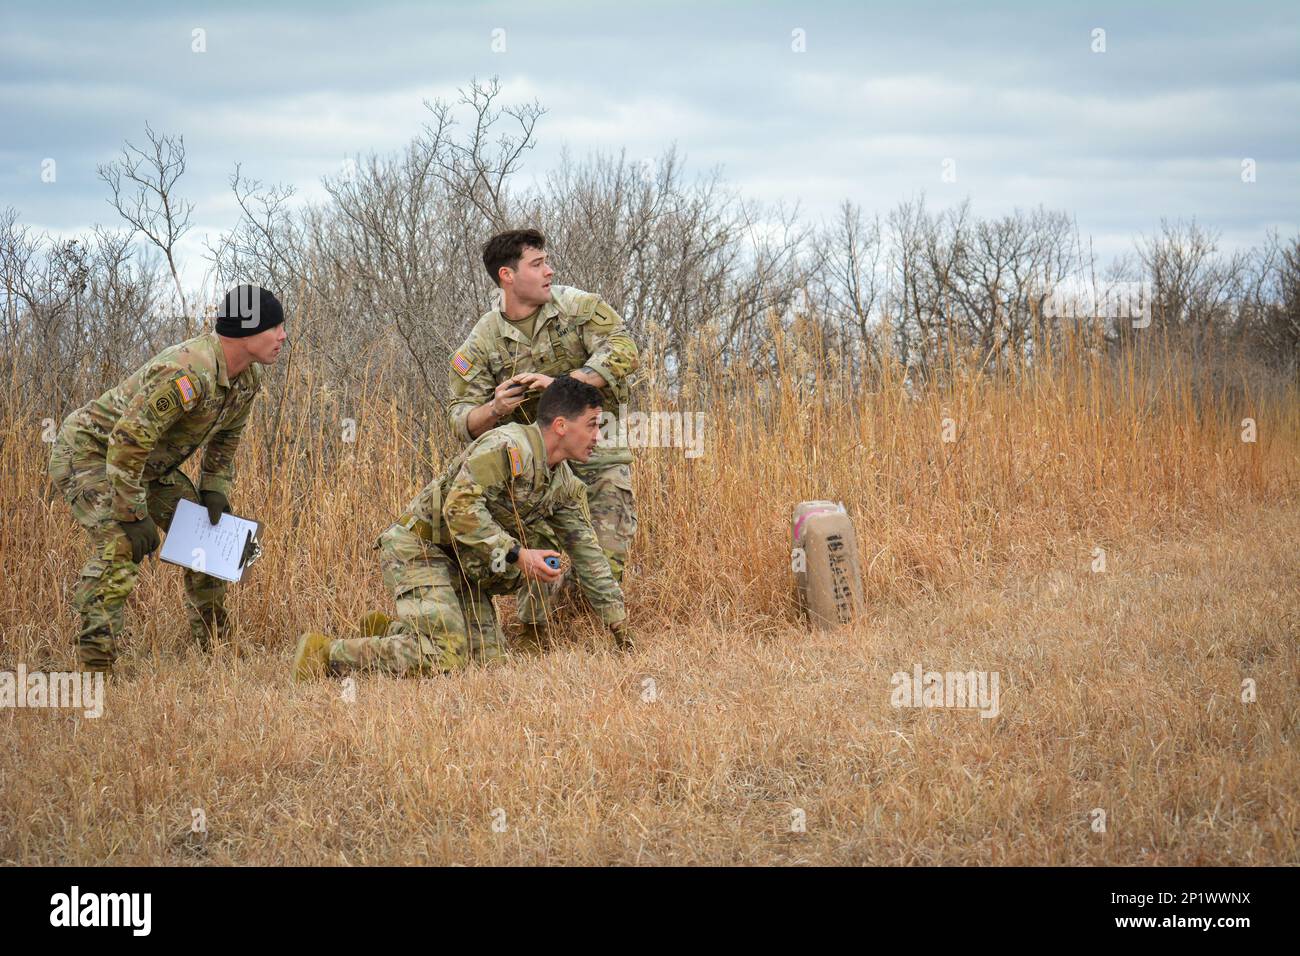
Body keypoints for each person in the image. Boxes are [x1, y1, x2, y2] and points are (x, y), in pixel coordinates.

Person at [293, 376, 629, 681]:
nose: (598, 436)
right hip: (421, 549)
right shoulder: (507, 447)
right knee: (446, 656)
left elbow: (589, 556)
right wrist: (516, 554)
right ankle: (326, 654)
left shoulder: (564, 485)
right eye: (592, 425)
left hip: (464, 565)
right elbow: (459, 506)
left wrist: (621, 631)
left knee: (489, 667)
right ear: (560, 426)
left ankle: (397, 634)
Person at [48, 285, 287, 672]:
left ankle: (215, 651)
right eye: (275, 327)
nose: (283, 336)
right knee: (120, 547)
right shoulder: (188, 371)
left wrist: (214, 489)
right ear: (246, 333)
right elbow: (127, 442)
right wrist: (131, 513)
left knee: (210, 539)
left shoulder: (248, 380)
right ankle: (96, 668)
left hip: (146, 466)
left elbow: (227, 438)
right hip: (90, 454)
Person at [446, 229, 638, 633]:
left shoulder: (577, 307)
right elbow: (460, 418)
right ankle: (538, 631)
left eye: (547, 261)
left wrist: (565, 384)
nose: (549, 270)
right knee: (540, 552)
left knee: (606, 554)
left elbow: (623, 348)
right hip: (534, 468)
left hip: (595, 450)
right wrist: (494, 409)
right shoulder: (482, 342)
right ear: (507, 276)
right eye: (537, 264)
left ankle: (580, 621)